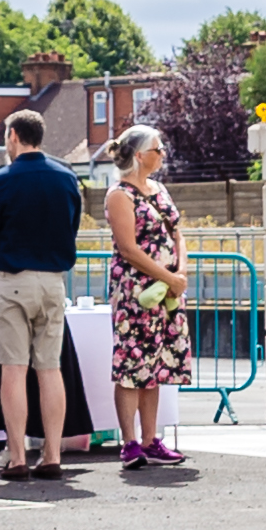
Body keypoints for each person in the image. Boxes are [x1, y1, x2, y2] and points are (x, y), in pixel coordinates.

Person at [0, 108, 83, 482]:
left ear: (14, 135)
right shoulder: (67, 177)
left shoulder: (0, 181)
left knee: (13, 369)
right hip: (53, 279)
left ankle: (17, 455)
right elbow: (72, 229)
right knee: (50, 369)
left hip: (12, 277)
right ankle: (52, 453)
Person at [101, 123, 194, 469]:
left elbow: (177, 233)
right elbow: (128, 248)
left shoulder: (159, 189)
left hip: (166, 289)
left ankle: (151, 438)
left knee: (155, 362)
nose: (162, 155)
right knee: (131, 363)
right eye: (158, 149)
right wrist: (168, 276)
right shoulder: (119, 195)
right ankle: (129, 442)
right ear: (139, 155)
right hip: (135, 292)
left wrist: (180, 273)